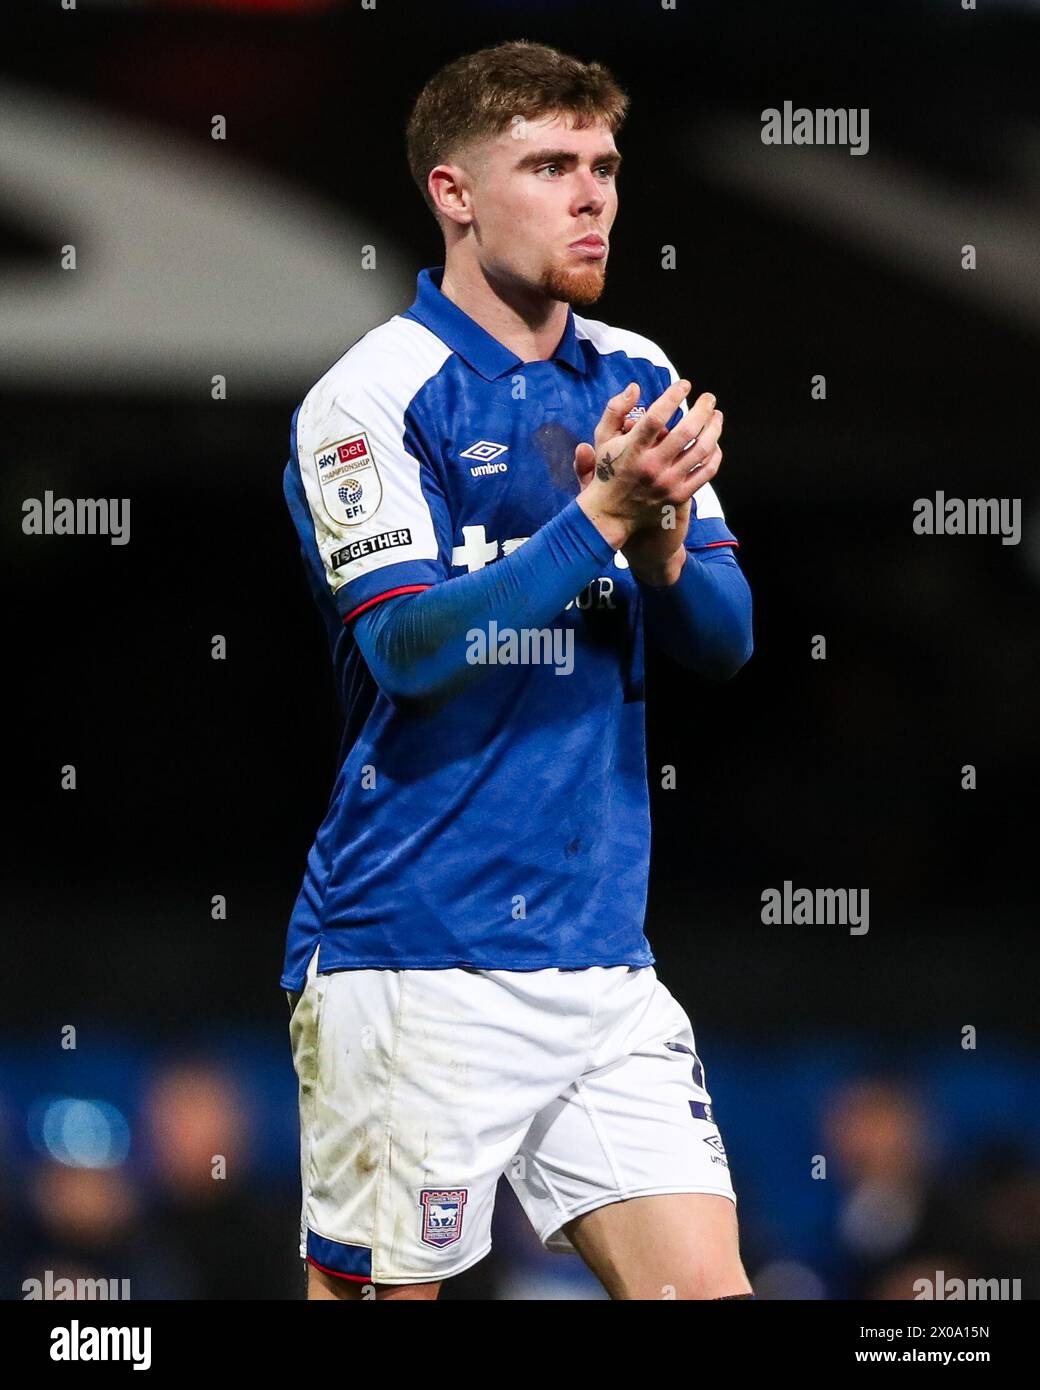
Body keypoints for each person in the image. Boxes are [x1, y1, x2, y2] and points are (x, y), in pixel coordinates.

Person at [282, 39, 754, 1301]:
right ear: (453, 193)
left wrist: (652, 534)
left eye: (601, 164)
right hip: (414, 954)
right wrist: (597, 515)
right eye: (547, 165)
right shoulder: (370, 397)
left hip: (604, 964)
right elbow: (409, 646)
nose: (590, 194)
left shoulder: (636, 373)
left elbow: (722, 642)